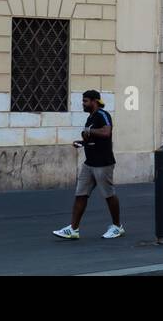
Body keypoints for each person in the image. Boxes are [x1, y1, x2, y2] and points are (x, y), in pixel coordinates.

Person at [53, 90, 124, 240]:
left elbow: (106, 132)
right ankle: (73, 229)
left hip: (102, 163)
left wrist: (89, 131)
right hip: (89, 163)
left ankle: (117, 227)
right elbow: (93, 137)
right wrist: (82, 142)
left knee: (109, 195)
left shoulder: (102, 115)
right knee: (80, 194)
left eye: (85, 101)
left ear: (95, 101)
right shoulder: (90, 118)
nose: (83, 104)